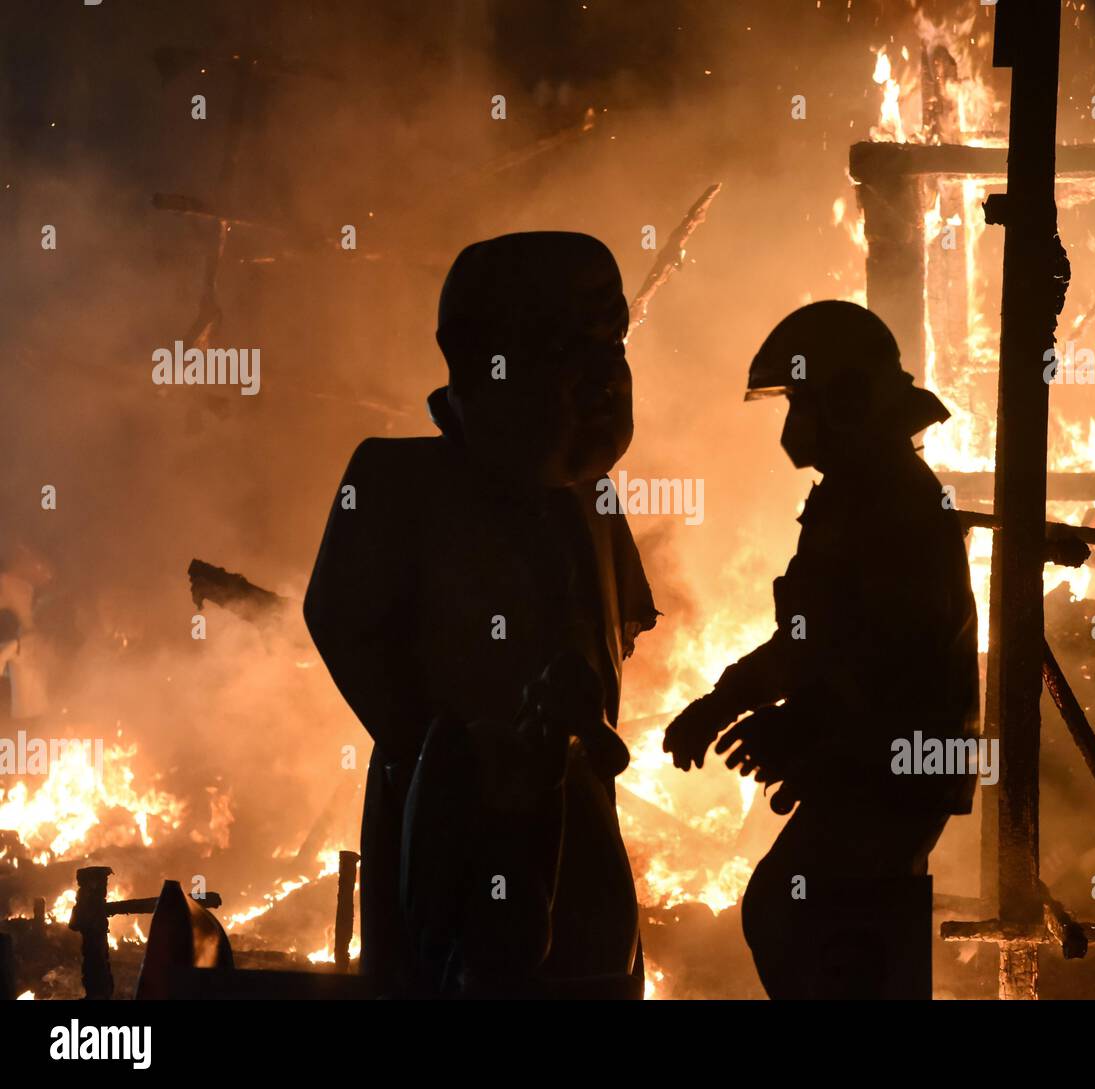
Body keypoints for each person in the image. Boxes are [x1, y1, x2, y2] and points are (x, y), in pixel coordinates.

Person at [304, 231, 657, 997]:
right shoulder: (396, 483)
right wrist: (456, 763)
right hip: (448, 839)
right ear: (485, 360)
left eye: (614, 338)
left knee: (591, 969)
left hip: (577, 815)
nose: (605, 373)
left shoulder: (591, 501)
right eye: (570, 343)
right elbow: (343, 624)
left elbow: (614, 634)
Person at [663, 300, 980, 998]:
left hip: (898, 762)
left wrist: (804, 726)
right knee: (813, 917)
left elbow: (889, 658)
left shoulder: (891, 505)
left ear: (846, 400)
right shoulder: (858, 497)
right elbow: (811, 638)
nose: (791, 424)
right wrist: (728, 701)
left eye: (800, 401)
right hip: (878, 758)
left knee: (802, 914)